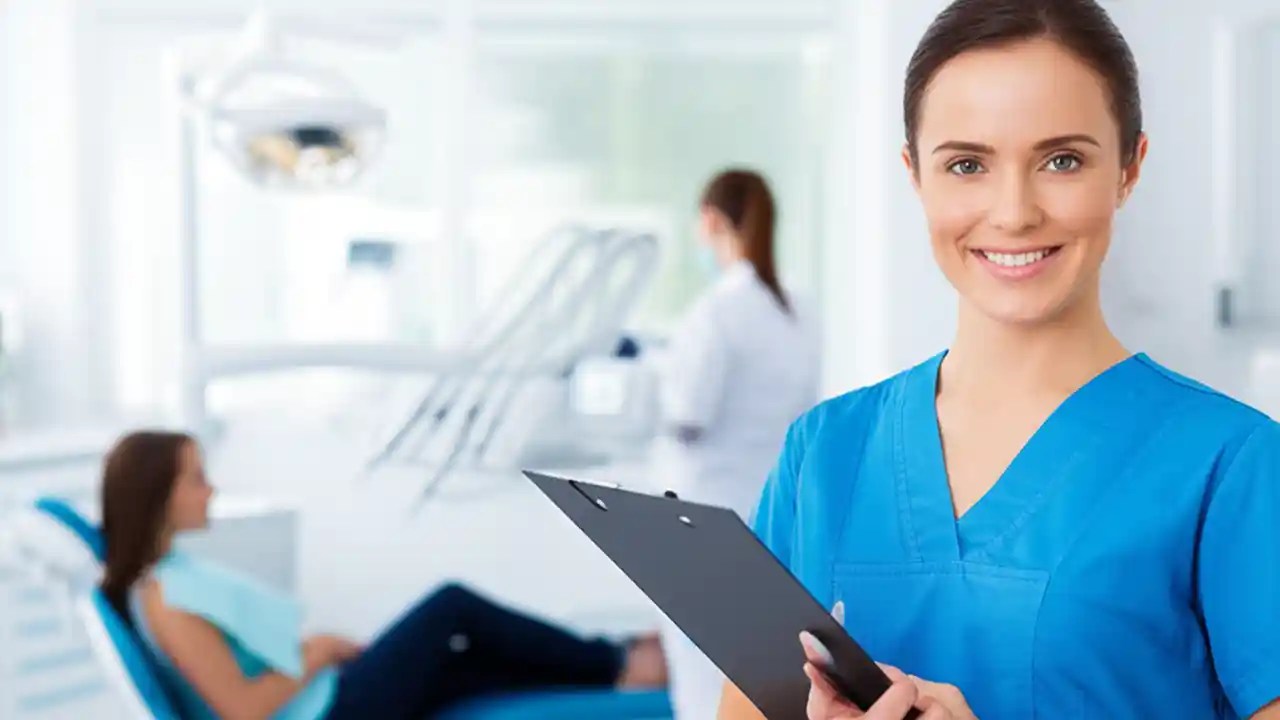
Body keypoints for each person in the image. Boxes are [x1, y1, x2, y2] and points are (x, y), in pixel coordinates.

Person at [719, 1, 1280, 718]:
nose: (1014, 212)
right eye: (967, 165)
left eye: (1062, 160)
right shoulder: (823, 453)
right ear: (915, 174)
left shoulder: (1231, 465)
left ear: (1129, 168)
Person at [99, 431, 668, 720]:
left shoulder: (171, 577)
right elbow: (244, 711)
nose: (212, 489)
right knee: (450, 607)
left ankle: (618, 679)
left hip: (328, 697)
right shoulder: (168, 601)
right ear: (159, 495)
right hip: (331, 712)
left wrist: (321, 655)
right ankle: (617, 661)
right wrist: (318, 653)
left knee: (467, 664)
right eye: (197, 479)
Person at [655, 168, 820, 720]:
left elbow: (688, 414)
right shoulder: (800, 310)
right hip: (773, 519)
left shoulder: (717, 311)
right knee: (760, 682)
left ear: (710, 222)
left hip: (702, 521)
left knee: (703, 689)